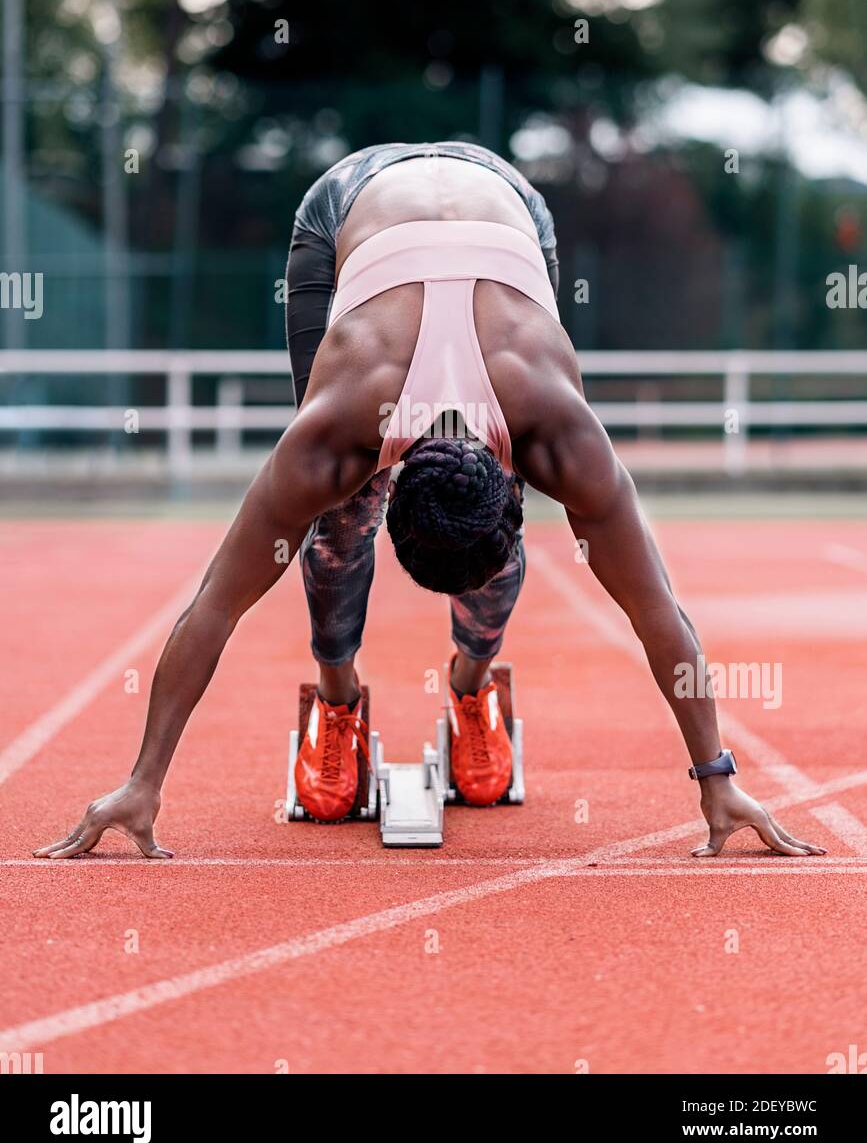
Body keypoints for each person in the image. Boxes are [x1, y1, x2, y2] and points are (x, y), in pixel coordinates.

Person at [35, 143, 825, 860]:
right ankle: (338, 703)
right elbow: (216, 602)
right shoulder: (334, 437)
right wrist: (141, 781)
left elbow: (656, 610)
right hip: (348, 203)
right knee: (340, 517)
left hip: (506, 204)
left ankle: (471, 687)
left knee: (437, 534)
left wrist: (717, 776)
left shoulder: (556, 429)